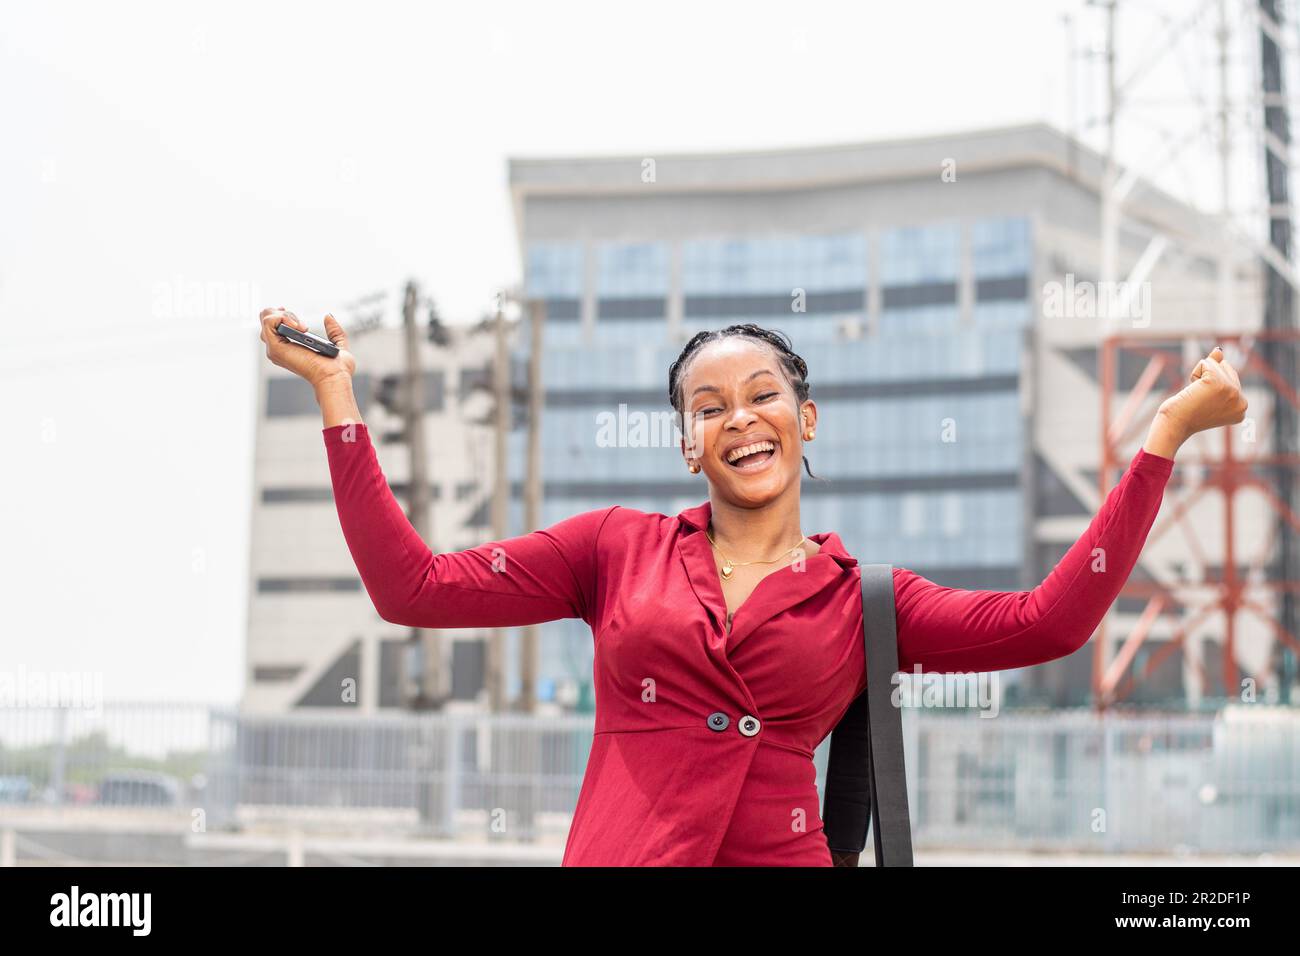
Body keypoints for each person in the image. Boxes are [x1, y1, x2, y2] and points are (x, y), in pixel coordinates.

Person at [258, 307, 1247, 866]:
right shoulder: (613, 546)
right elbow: (413, 585)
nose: (741, 418)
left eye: (764, 393)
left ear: (805, 419)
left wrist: (1161, 436)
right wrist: (338, 396)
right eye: (709, 406)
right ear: (688, 443)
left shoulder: (870, 599)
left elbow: (1052, 619)